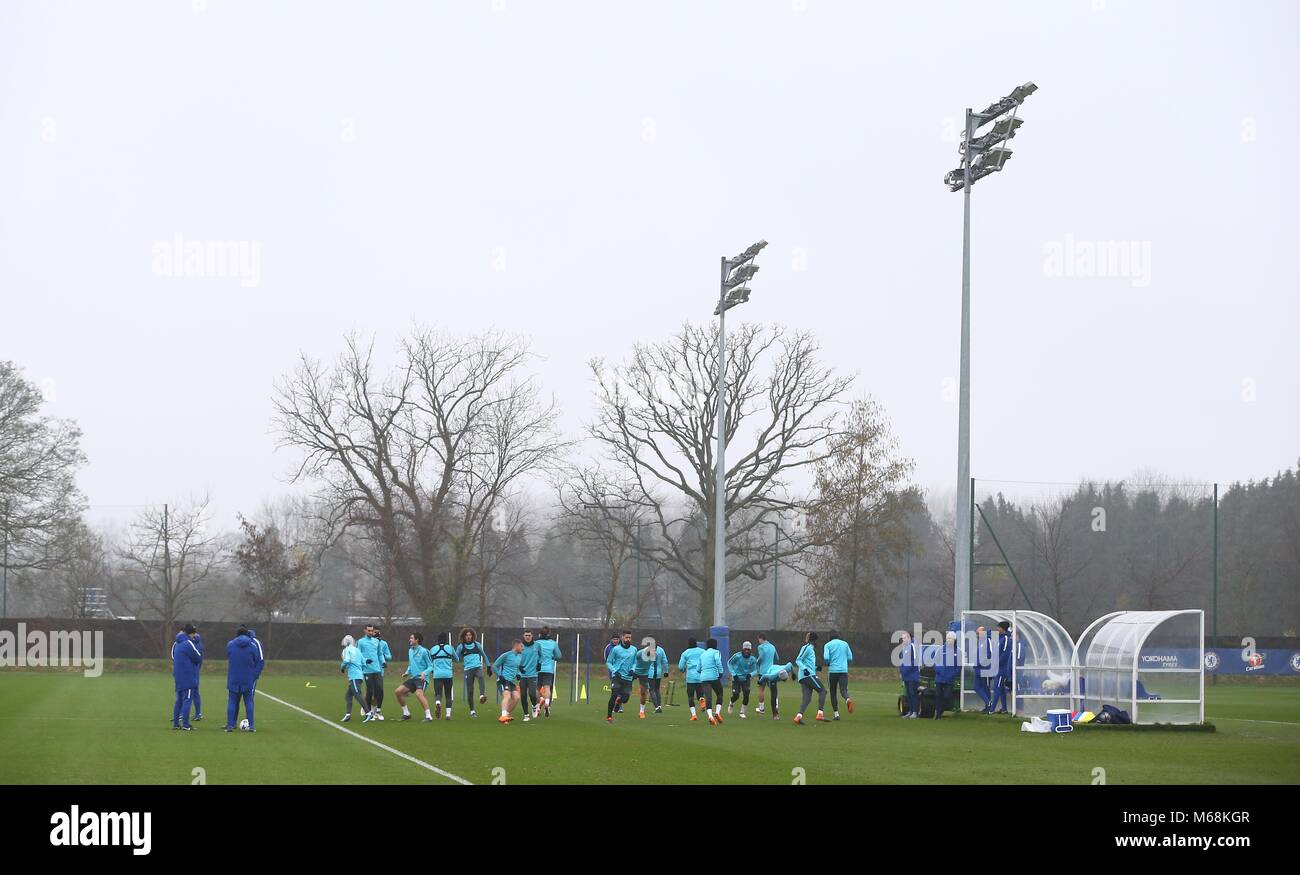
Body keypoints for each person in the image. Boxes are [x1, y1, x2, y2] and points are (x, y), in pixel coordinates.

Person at [225, 625, 264, 732]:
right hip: (247, 678)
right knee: (249, 701)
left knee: (232, 701)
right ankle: (251, 726)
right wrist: (254, 675)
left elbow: (229, 656)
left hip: (233, 677)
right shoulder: (252, 646)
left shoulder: (230, 645)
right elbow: (259, 662)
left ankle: (230, 726)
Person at [395, 632, 433, 722]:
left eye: (411, 638)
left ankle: (429, 716)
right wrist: (407, 672)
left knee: (418, 694)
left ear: (417, 640)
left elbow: (431, 666)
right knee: (398, 691)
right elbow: (411, 664)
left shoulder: (424, 651)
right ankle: (406, 714)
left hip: (421, 679)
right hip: (413, 678)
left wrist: (424, 673)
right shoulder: (410, 650)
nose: (409, 640)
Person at [171, 623, 203, 730]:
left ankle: (176, 724)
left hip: (178, 676)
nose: (195, 636)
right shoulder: (188, 643)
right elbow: (198, 657)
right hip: (187, 676)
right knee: (187, 700)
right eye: (194, 633)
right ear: (191, 633)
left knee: (179, 700)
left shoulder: (178, 642)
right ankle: (185, 724)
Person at [793, 631, 827, 725]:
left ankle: (798, 717)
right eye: (817, 640)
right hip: (807, 676)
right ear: (814, 640)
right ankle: (820, 714)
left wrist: (816, 668)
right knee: (822, 691)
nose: (817, 642)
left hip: (806, 675)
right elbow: (798, 660)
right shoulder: (807, 648)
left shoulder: (811, 649)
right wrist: (804, 669)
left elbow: (808, 664)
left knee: (807, 699)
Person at [604, 630, 638, 724]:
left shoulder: (634, 649)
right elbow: (609, 662)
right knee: (614, 694)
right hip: (617, 677)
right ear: (622, 638)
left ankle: (619, 702)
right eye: (626, 637)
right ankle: (609, 716)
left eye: (630, 637)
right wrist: (615, 671)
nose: (628, 639)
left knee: (626, 698)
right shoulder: (616, 649)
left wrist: (633, 669)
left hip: (628, 678)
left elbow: (635, 662)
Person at [456, 628, 489, 716]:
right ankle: (472, 711)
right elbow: (456, 658)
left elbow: (484, 655)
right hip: (468, 670)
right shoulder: (461, 647)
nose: (468, 637)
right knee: (470, 691)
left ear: (473, 636)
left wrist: (488, 666)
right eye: (467, 635)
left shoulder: (477, 645)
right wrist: (451, 655)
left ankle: (482, 695)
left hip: (478, 667)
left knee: (481, 677)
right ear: (464, 636)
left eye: (470, 635)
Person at [490, 639, 524, 724]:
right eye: (521, 646)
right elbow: (494, 666)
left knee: (516, 697)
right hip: (503, 680)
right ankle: (503, 716)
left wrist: (518, 674)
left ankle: (505, 716)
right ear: (516, 646)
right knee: (507, 696)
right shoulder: (506, 655)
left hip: (511, 682)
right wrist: (500, 676)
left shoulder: (520, 657)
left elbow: (517, 668)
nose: (522, 648)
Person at [823, 630, 854, 720]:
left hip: (833, 671)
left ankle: (836, 714)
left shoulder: (828, 645)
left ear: (830, 637)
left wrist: (829, 662)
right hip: (843, 671)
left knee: (833, 692)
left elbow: (826, 657)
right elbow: (850, 657)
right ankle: (847, 699)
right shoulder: (845, 644)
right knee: (843, 690)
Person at [356, 625, 385, 721]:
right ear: (365, 631)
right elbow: (358, 655)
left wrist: (383, 662)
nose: (370, 632)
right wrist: (365, 660)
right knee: (370, 691)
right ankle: (368, 713)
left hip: (377, 670)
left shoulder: (377, 642)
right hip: (367, 670)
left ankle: (378, 711)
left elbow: (380, 654)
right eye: (368, 630)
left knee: (380, 690)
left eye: (371, 631)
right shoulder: (360, 642)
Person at [634, 636, 668, 718]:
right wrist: (666, 671)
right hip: (658, 673)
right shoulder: (661, 650)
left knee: (651, 690)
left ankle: (656, 707)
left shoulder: (646, 650)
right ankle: (659, 706)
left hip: (650, 673)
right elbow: (665, 661)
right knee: (657, 689)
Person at [427, 634, 458, 720]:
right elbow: (457, 659)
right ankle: (448, 715)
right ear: (446, 640)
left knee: (438, 693)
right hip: (448, 675)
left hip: (437, 675)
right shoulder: (450, 648)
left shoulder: (433, 649)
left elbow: (429, 661)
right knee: (448, 695)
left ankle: (437, 702)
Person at [536, 626, 563, 718]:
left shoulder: (536, 643)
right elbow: (559, 656)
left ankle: (537, 707)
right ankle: (547, 704)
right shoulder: (553, 643)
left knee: (538, 688)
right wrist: (552, 657)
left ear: (540, 634)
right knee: (547, 687)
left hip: (537, 668)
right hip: (548, 669)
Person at [340, 635, 369, 722]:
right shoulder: (357, 650)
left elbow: (346, 660)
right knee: (348, 695)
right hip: (359, 676)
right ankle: (348, 714)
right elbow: (364, 663)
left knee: (357, 694)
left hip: (354, 676)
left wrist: (342, 667)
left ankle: (368, 713)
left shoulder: (346, 650)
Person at [697, 638, 725, 725]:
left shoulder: (703, 654)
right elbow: (718, 661)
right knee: (720, 694)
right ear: (715, 645)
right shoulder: (716, 652)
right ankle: (717, 712)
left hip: (704, 678)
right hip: (714, 677)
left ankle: (710, 716)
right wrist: (720, 672)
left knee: (708, 698)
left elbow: (698, 668)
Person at [727, 641, 758, 718]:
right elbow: (729, 663)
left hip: (746, 679)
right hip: (736, 679)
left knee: (746, 694)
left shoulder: (753, 659)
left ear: (750, 650)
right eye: (745, 649)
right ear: (743, 649)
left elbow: (756, 670)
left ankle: (742, 712)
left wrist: (750, 675)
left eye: (748, 649)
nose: (747, 651)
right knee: (736, 695)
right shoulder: (737, 656)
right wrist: (734, 674)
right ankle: (731, 702)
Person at [934, 631, 960, 719]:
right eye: (948, 638)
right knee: (938, 695)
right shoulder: (940, 649)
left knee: (947, 696)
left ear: (955, 640)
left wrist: (953, 674)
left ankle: (940, 711)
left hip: (949, 678)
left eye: (951, 639)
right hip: (939, 678)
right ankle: (938, 714)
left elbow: (959, 667)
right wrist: (939, 671)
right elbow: (935, 663)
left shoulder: (958, 651)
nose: (949, 640)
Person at [677, 637, 704, 721]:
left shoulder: (685, 653)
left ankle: (694, 715)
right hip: (700, 677)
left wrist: (683, 669)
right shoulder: (702, 651)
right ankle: (702, 700)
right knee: (700, 694)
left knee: (690, 697)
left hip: (690, 678)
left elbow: (681, 667)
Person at [990, 621, 1013, 714]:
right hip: (998, 668)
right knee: (1001, 689)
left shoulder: (1006, 638)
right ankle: (1004, 709)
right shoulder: (1001, 638)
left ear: (1002, 628)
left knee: (997, 688)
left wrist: (997, 663)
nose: (997, 629)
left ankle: (991, 709)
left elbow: (1005, 654)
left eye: (998, 627)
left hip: (1002, 669)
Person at [517, 629, 541, 722]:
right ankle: (526, 715)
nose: (527, 637)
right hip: (522, 674)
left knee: (532, 694)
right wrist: (518, 671)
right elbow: (515, 659)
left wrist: (539, 663)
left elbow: (541, 656)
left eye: (529, 635)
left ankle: (534, 706)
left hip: (533, 674)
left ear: (532, 636)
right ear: (523, 636)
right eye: (526, 635)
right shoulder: (520, 646)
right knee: (523, 696)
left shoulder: (537, 645)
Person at [754, 633, 778, 714]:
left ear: (760, 639)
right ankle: (776, 706)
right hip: (771, 671)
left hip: (763, 672)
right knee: (773, 690)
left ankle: (761, 708)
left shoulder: (761, 647)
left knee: (761, 689)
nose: (758, 641)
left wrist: (757, 662)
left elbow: (761, 657)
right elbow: (777, 658)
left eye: (758, 640)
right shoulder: (773, 646)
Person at [898, 631, 920, 719]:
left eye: (904, 638)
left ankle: (915, 712)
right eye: (902, 638)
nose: (903, 640)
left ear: (909, 638)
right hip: (906, 675)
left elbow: (914, 661)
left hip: (912, 676)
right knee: (908, 694)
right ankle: (910, 711)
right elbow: (902, 661)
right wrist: (901, 671)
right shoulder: (904, 648)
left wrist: (905, 671)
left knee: (913, 693)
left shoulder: (912, 647)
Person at [972, 626, 994, 712]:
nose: (977, 635)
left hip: (985, 669)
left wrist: (983, 663)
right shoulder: (981, 642)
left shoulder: (988, 641)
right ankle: (988, 703)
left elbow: (991, 654)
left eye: (978, 633)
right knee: (976, 687)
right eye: (976, 633)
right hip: (978, 669)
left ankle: (988, 706)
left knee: (986, 687)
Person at [190, 623, 205, 722]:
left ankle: (183, 714)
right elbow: (201, 659)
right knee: (195, 692)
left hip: (189, 671)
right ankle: (198, 713)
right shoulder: (200, 643)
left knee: (186, 693)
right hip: (196, 671)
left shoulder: (190, 643)